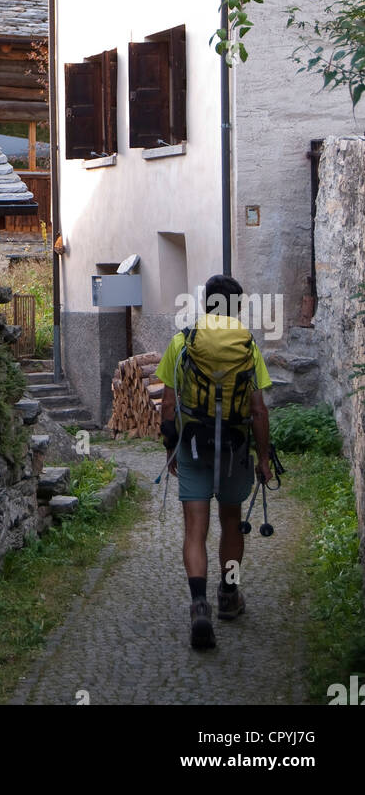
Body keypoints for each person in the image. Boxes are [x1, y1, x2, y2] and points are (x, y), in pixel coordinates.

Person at [155, 274, 273, 650]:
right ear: (235, 307)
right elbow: (258, 411)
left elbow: (169, 406)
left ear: (206, 303)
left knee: (195, 529)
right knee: (232, 524)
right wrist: (264, 458)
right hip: (235, 451)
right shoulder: (248, 347)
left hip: (192, 447)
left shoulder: (182, 342)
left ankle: (198, 604)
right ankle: (228, 594)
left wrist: (169, 446)